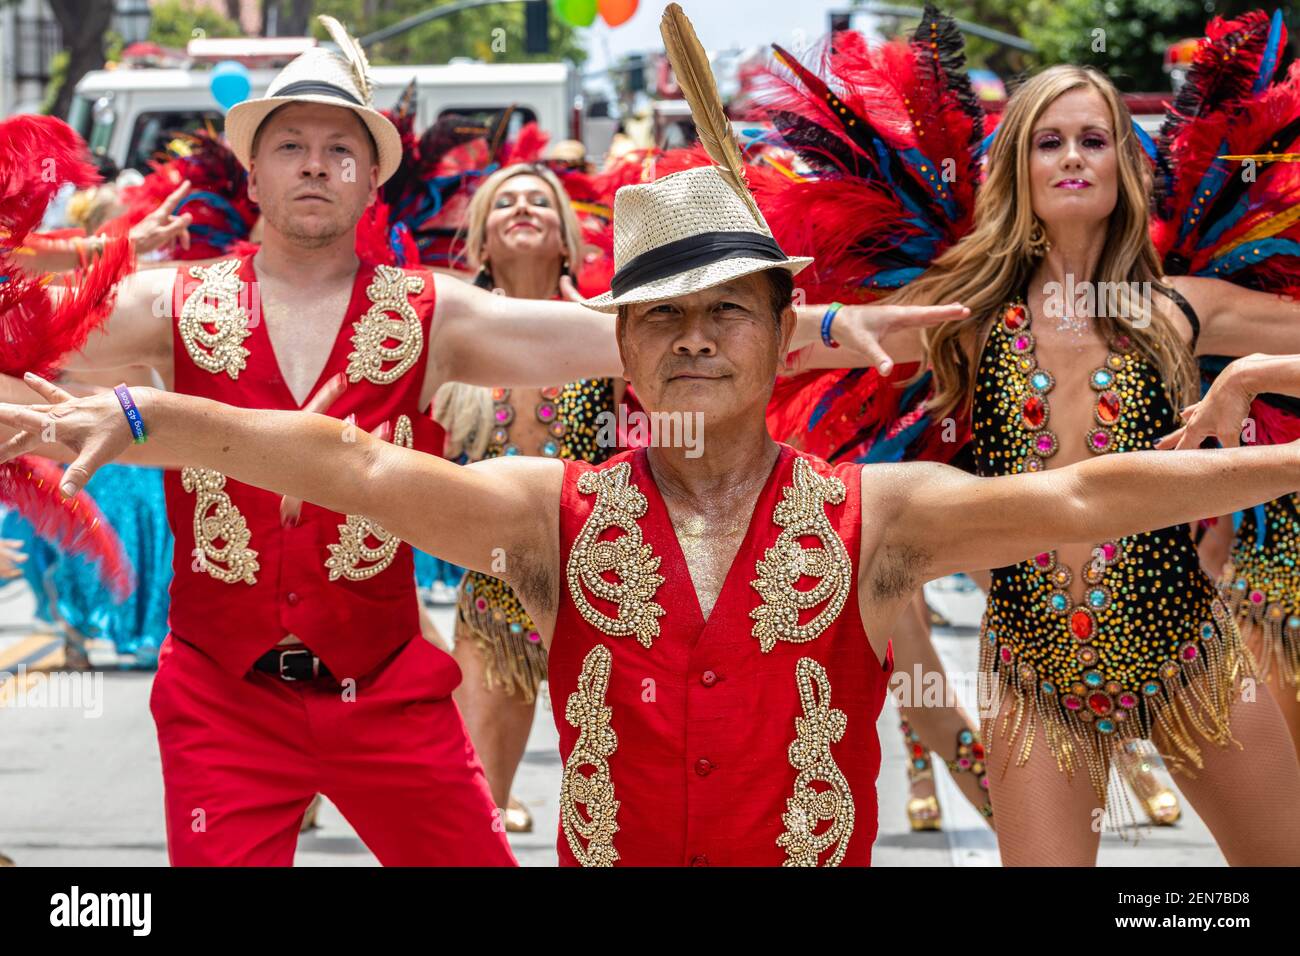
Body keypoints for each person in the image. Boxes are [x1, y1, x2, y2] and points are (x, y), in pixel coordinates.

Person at [11, 155, 1300, 866]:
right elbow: (349, 466)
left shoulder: (882, 512)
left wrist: (1279, 463)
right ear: (618, 352)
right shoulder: (546, 514)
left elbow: (1087, 491)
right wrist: (148, 417)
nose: (693, 338)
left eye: (727, 310)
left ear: (783, 336)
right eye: (661, 317)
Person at [791, 62, 1300, 864]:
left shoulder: (1181, 308)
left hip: (1187, 653)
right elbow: (795, 345)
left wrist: (1249, 375)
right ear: (1017, 167)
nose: (1071, 157)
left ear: (1125, 166)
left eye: (1093, 140)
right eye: (1048, 141)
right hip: (1033, 669)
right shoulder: (967, 310)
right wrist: (811, 325)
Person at [434, 161, 623, 832]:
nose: (522, 208)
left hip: (606, 591)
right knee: (474, 807)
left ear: (566, 239)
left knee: (624, 808)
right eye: (505, 201)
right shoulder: (448, 336)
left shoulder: (608, 331)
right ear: (482, 241)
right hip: (494, 595)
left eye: (539, 202)